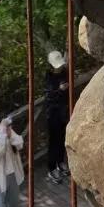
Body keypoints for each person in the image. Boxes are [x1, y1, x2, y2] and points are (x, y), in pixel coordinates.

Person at [0, 114, 24, 207]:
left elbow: (20, 144)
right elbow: (0, 151)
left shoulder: (8, 133)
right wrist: (2, 133)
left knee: (13, 204)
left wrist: (10, 134)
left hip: (12, 174)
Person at [45, 49, 70, 183]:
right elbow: (49, 96)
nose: (59, 68)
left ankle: (60, 163)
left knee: (62, 139)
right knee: (53, 142)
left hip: (63, 112)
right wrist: (59, 90)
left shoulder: (65, 72)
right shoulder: (49, 76)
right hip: (52, 114)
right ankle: (51, 168)